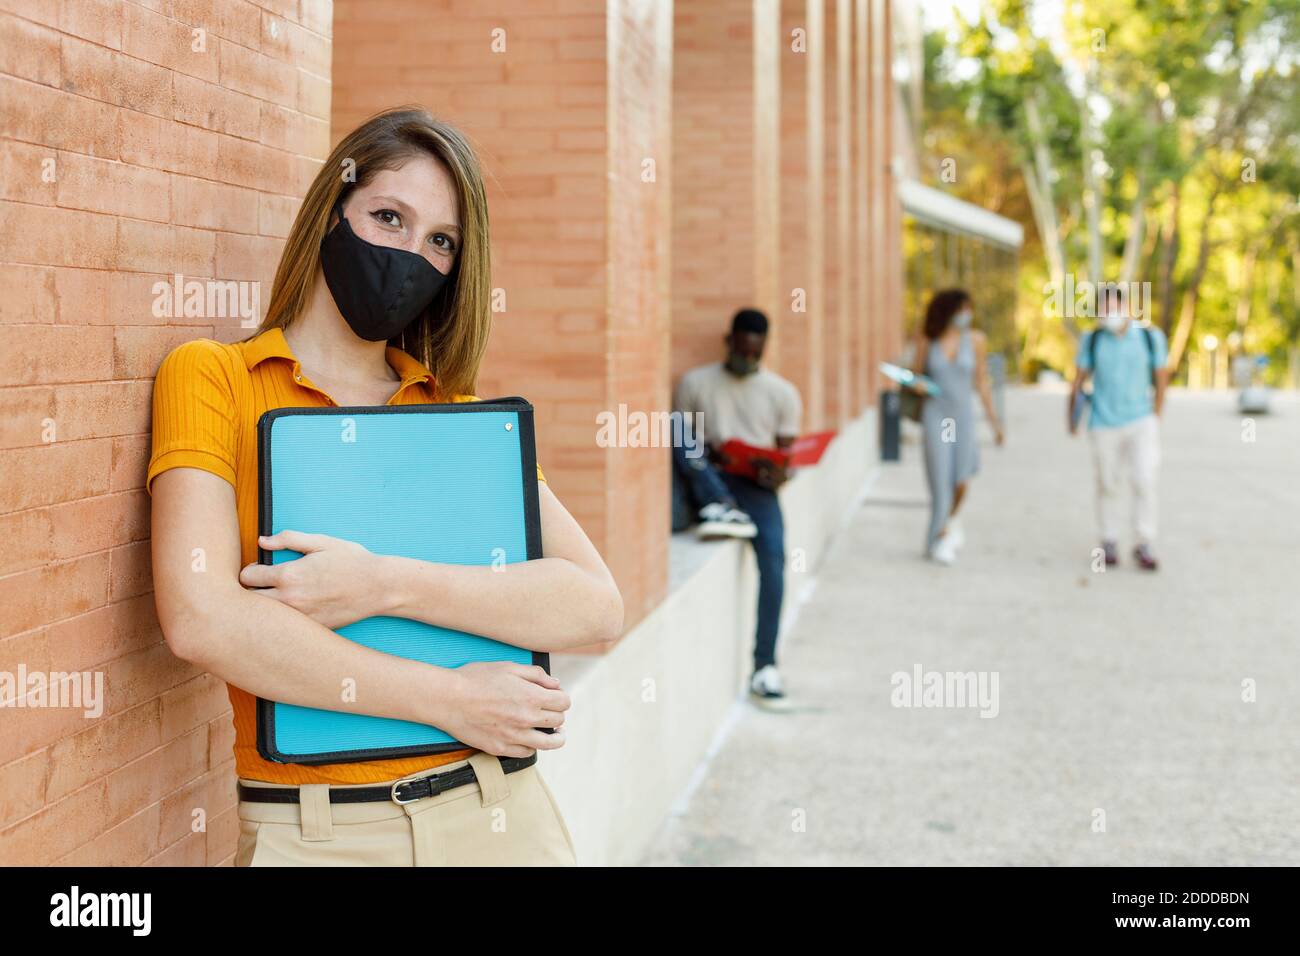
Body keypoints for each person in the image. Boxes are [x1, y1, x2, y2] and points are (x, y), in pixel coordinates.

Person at [147, 107, 624, 866]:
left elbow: (594, 607)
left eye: (440, 241)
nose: (409, 255)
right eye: (388, 217)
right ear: (329, 216)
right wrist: (451, 699)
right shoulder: (215, 379)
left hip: (500, 817)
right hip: (315, 834)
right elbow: (201, 618)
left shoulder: (459, 415)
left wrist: (383, 585)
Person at [672, 308, 802, 703]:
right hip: (707, 477)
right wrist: (715, 453)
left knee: (775, 562)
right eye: (741, 351)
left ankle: (765, 666)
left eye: (755, 354)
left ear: (764, 348)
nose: (748, 359)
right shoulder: (696, 382)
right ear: (729, 341)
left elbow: (786, 460)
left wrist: (773, 473)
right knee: (674, 427)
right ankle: (719, 504)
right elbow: (684, 441)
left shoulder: (782, 393)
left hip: (757, 489)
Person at [1069, 283, 1169, 570]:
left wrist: (1155, 416)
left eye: (1113, 306)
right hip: (1103, 421)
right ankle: (1109, 539)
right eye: (1103, 308)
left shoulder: (1150, 337)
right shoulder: (1093, 339)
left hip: (1141, 420)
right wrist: (1072, 418)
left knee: (1145, 480)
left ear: (1126, 307)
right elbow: (1078, 380)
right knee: (1107, 482)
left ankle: (1144, 541)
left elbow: (1161, 377)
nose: (1108, 312)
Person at [906, 289, 1005, 565]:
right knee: (940, 482)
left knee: (961, 480)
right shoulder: (929, 338)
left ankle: (949, 521)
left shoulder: (975, 340)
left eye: (968, 309)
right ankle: (937, 538)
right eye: (961, 309)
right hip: (936, 415)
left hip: (962, 418)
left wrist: (995, 423)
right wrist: (918, 384)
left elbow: (982, 382)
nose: (966, 315)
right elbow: (913, 375)